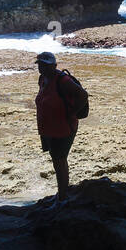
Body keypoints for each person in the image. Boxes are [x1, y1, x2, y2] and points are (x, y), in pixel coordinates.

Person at [34, 51, 82, 203]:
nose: (42, 68)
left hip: (64, 127)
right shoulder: (43, 79)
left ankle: (62, 197)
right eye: (40, 64)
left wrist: (72, 113)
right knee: (57, 160)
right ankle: (62, 193)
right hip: (49, 128)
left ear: (54, 66)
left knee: (60, 160)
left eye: (45, 65)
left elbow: (83, 95)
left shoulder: (63, 80)